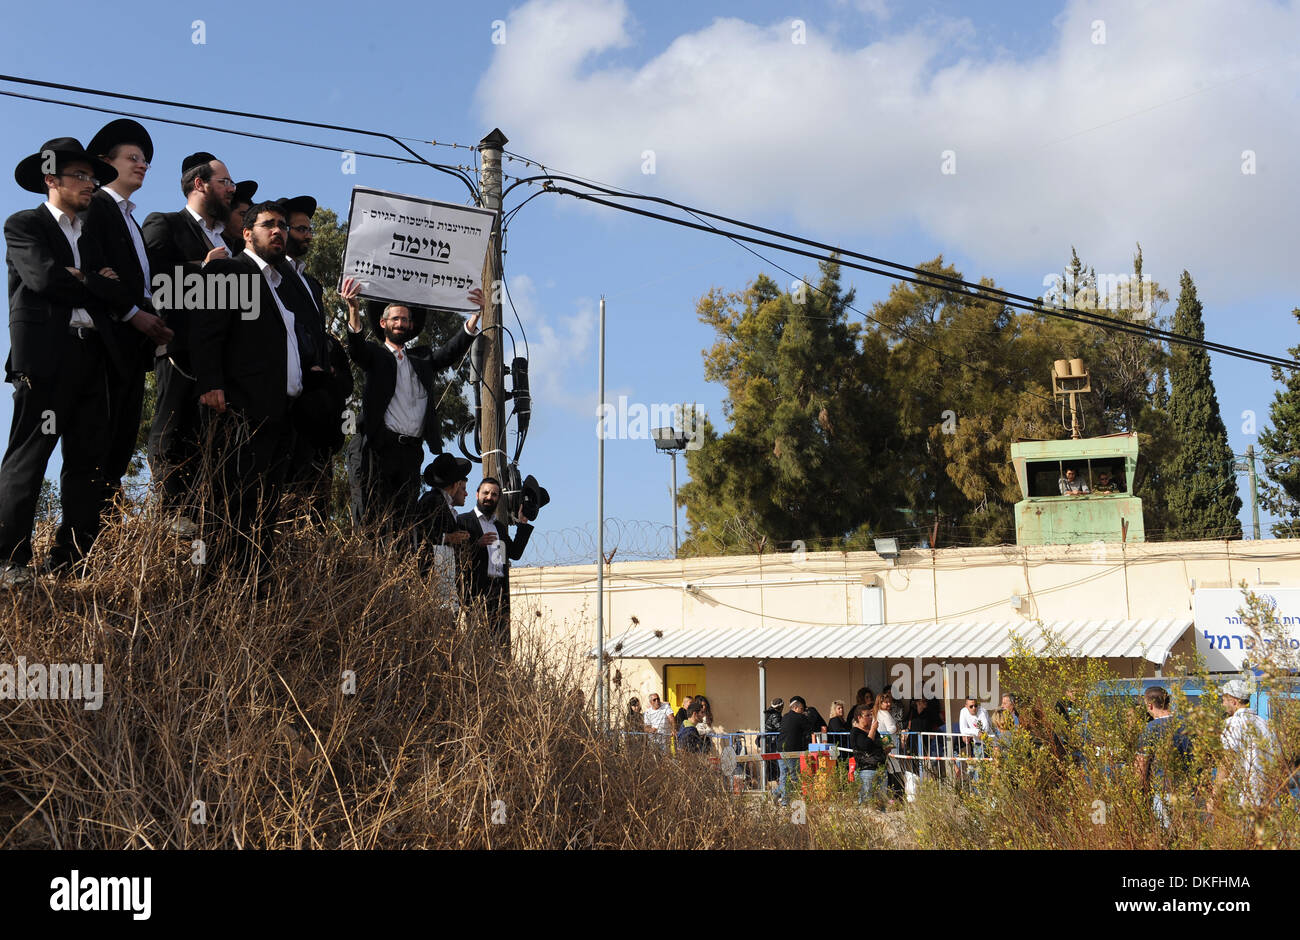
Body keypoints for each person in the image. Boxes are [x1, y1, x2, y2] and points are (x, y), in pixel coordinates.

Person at [0, 137, 127, 584]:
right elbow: (42, 278)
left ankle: (69, 562)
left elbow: (118, 291)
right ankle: (9, 560)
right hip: (46, 360)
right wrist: (92, 281)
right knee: (30, 456)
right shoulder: (24, 224)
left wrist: (82, 277)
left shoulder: (90, 237)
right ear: (51, 179)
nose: (91, 184)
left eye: (94, 177)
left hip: (93, 359)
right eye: (81, 176)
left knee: (87, 462)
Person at [191, 201, 306, 579]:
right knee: (230, 505)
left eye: (283, 226)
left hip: (279, 416)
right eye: (268, 225)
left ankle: (254, 588)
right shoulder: (230, 270)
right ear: (246, 233)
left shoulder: (281, 286)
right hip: (241, 411)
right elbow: (206, 330)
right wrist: (211, 383)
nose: (278, 232)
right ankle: (211, 586)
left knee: (266, 510)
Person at [339, 276, 482, 536]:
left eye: (405, 319)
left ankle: (397, 571)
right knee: (373, 520)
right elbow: (357, 349)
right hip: (381, 450)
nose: (401, 323)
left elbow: (449, 352)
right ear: (383, 323)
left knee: (403, 522)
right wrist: (353, 309)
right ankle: (371, 573)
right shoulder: (377, 356)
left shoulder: (422, 360)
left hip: (411, 452)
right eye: (395, 319)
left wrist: (473, 319)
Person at [143, 151, 238, 533]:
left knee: (210, 444)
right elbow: (150, 276)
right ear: (199, 184)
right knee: (172, 431)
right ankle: (169, 513)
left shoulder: (231, 240)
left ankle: (207, 519)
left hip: (221, 362)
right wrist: (202, 268)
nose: (230, 190)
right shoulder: (164, 223)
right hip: (178, 352)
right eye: (224, 182)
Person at [81, 120, 174, 505]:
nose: (142, 165)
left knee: (120, 446)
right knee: (96, 447)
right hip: (105, 345)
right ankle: (79, 544)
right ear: (106, 162)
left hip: (133, 350)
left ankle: (104, 534)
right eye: (132, 157)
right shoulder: (96, 205)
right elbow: (89, 269)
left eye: (146, 160)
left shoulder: (132, 218)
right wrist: (129, 307)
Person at [276, 195, 349, 525]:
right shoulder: (271, 275)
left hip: (316, 403)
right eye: (301, 228)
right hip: (287, 397)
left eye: (310, 228)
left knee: (314, 498)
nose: (308, 235)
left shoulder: (313, 283)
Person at [457, 477, 534, 658]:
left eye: (494, 494)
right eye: (486, 493)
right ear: (477, 495)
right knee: (476, 648)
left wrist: (522, 524)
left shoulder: (499, 526)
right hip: (475, 594)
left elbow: (514, 553)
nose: (489, 497)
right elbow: (456, 556)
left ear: (498, 499)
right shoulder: (464, 521)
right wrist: (477, 545)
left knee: (500, 649)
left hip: (497, 595)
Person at [1211, 679, 1279, 816]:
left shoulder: (1233, 723)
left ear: (1234, 701)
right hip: (1268, 796)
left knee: (1245, 835)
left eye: (1224, 700)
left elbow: (1227, 761)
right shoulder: (1264, 723)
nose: (1222, 704)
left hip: (1244, 797)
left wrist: (1215, 796)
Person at [1133, 686, 1193, 827]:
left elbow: (1141, 765)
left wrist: (1136, 790)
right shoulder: (1188, 725)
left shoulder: (1151, 728)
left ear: (1150, 705)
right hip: (1189, 791)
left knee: (1167, 836)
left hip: (1164, 791)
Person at [414, 452, 472, 593]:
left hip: (443, 574)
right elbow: (422, 534)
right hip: (432, 576)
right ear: (455, 484)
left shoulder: (440, 501)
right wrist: (450, 537)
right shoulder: (433, 500)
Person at [777, 696, 815, 804]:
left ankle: (777, 796)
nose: (803, 711)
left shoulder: (784, 717)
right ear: (796, 708)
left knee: (783, 776)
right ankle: (786, 799)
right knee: (794, 776)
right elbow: (810, 727)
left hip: (780, 749)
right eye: (802, 709)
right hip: (792, 751)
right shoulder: (800, 717)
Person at [848, 703, 887, 807]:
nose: (870, 718)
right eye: (867, 716)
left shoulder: (875, 731)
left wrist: (886, 748)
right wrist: (873, 729)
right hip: (866, 771)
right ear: (859, 717)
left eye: (871, 715)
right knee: (867, 803)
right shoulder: (855, 732)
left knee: (881, 802)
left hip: (880, 769)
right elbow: (866, 746)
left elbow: (879, 747)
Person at [222, 180, 258, 255]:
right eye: (242, 215)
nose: (246, 222)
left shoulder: (245, 252)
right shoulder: (206, 238)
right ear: (226, 212)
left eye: (249, 218)